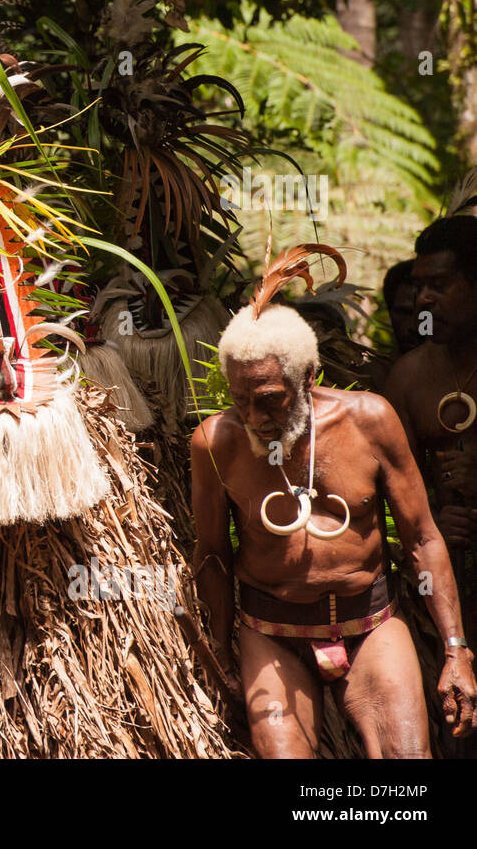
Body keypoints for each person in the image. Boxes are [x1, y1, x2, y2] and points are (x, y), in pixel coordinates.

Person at [192, 249, 476, 758]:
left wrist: (456, 649)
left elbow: (422, 537)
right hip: (272, 630)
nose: (256, 417)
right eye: (241, 399)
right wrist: (219, 652)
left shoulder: (370, 420)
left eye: (271, 398)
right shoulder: (216, 442)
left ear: (309, 376)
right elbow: (212, 555)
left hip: (370, 623)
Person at [386, 218, 477, 701]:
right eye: (419, 287)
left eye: (439, 285)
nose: (423, 300)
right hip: (452, 581)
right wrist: (438, 521)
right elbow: (399, 501)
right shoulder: (407, 379)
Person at [365, 259, 420, 393]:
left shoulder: (460, 378)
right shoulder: (365, 377)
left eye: (423, 314)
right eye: (404, 313)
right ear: (390, 312)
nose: (414, 325)